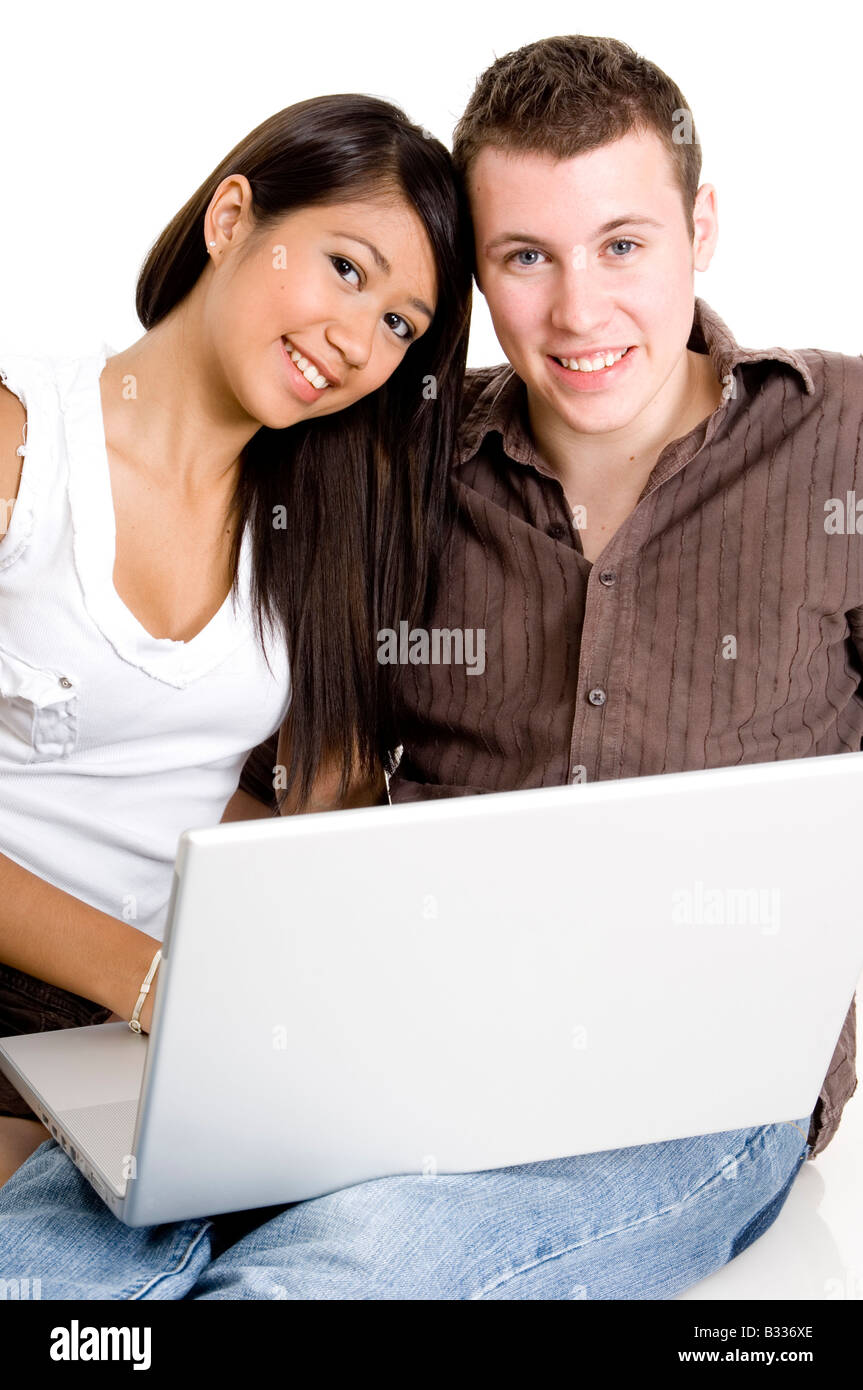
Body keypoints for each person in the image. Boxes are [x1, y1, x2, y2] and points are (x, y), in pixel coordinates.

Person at [0, 36, 852, 1300]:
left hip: (686, 1083)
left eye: (621, 243)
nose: (577, 311)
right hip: (387, 1043)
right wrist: (235, 1005)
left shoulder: (839, 440)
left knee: (318, 1287)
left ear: (699, 227)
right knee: (44, 1280)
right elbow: (284, 780)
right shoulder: (394, 465)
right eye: (524, 258)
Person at [0, 94, 471, 1183]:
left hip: (153, 1018)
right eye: (347, 269)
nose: (357, 341)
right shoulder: (26, 451)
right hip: (95, 989)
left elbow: (209, 791)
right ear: (231, 221)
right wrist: (160, 984)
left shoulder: (315, 519)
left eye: (401, 324)